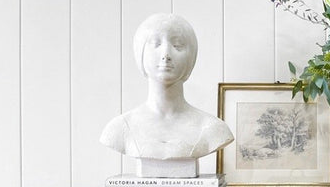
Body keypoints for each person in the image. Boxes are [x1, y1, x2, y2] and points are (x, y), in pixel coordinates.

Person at [100, 13, 233, 166]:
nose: (166, 55)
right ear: (140, 54)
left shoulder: (212, 129)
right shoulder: (119, 129)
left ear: (191, 58)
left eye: (177, 45)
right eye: (156, 44)